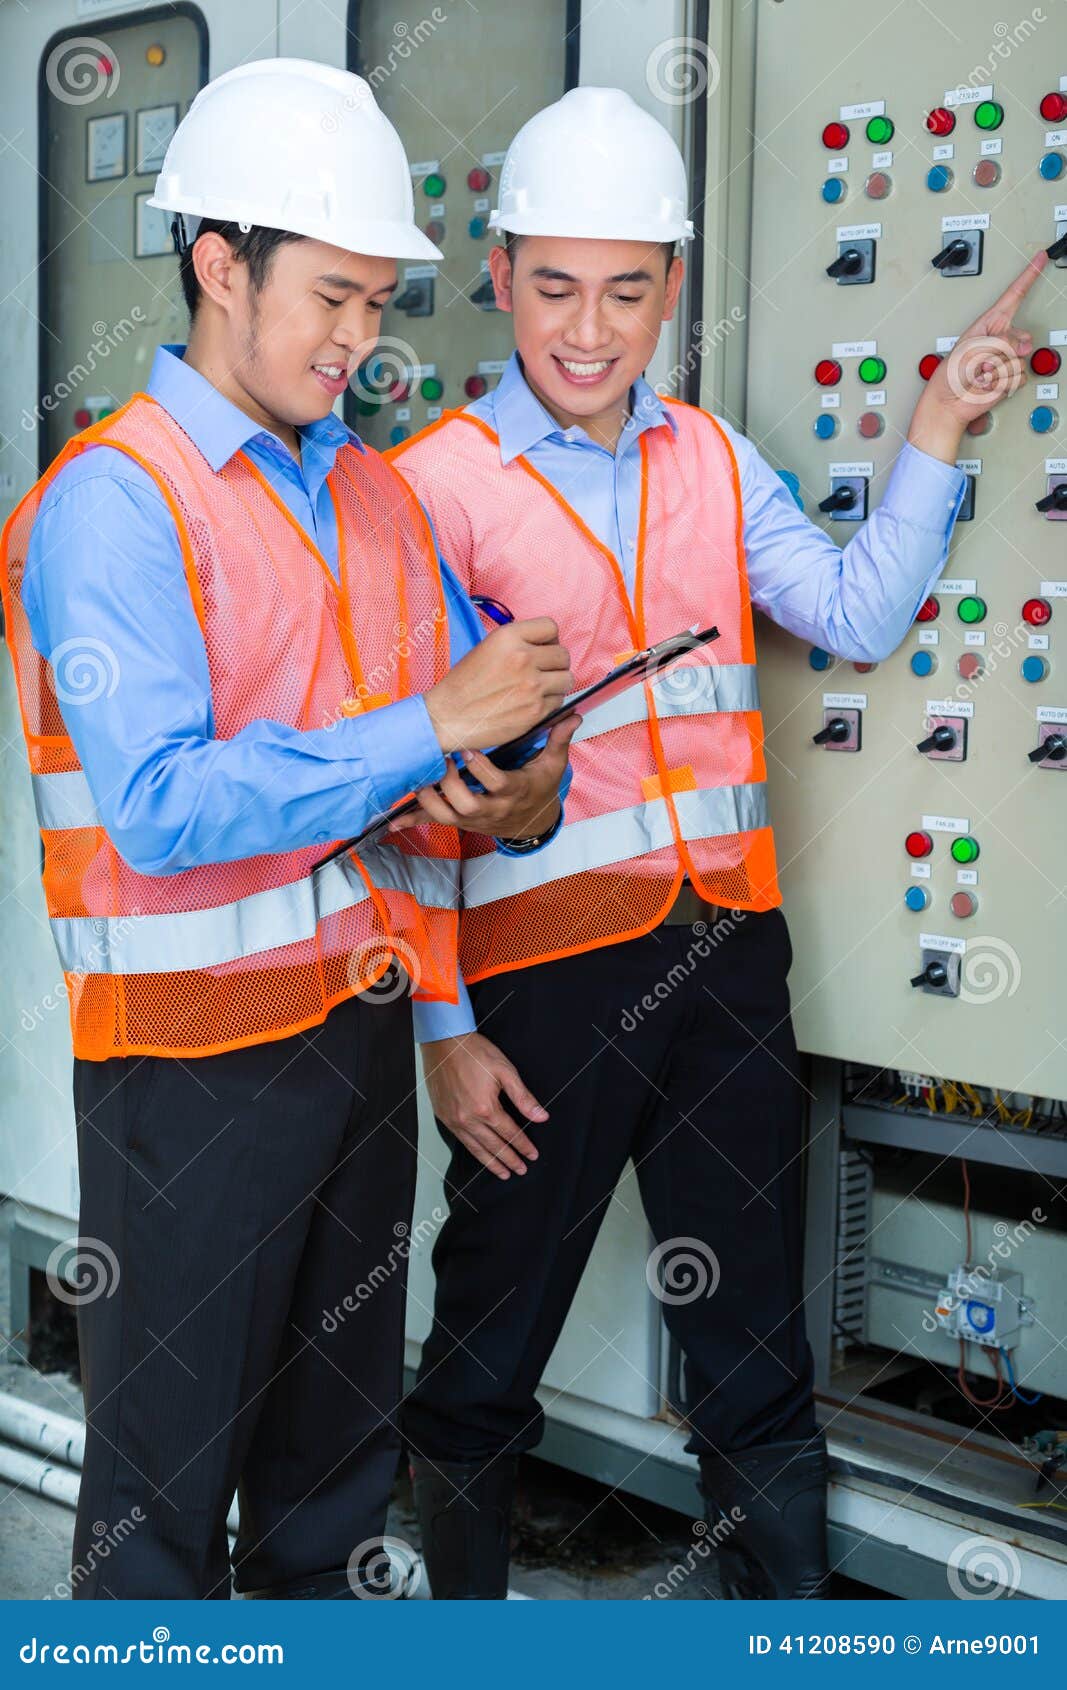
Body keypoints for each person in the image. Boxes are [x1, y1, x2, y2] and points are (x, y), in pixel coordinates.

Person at [387, 85, 1048, 1599]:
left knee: (755, 1354)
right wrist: (442, 1029)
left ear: (674, 285)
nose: (590, 330)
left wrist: (938, 424)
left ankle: (784, 1636)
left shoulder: (713, 460)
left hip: (729, 961)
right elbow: (413, 806)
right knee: (486, 1348)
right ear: (501, 272)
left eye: (628, 291)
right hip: (539, 986)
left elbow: (856, 615)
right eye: (556, 286)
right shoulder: (434, 492)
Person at [0, 58, 571, 1600]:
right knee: (161, 1511)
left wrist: (525, 782)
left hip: (360, 1048)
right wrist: (433, 724)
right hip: (186, 1068)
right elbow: (162, 805)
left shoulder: (376, 499)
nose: (359, 339)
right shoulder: (115, 502)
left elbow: (468, 738)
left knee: (332, 1493)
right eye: (330, 296)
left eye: (378, 302)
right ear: (219, 266)